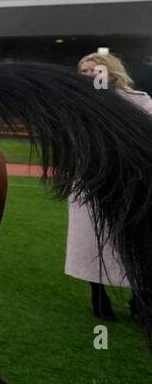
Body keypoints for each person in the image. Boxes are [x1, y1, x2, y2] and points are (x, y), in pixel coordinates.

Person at [66, 52, 152, 322]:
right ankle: (99, 296)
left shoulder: (139, 101)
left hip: (134, 183)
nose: (90, 75)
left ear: (112, 72)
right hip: (92, 183)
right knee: (93, 242)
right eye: (84, 71)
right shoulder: (77, 105)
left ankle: (141, 299)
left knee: (137, 240)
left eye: (95, 70)